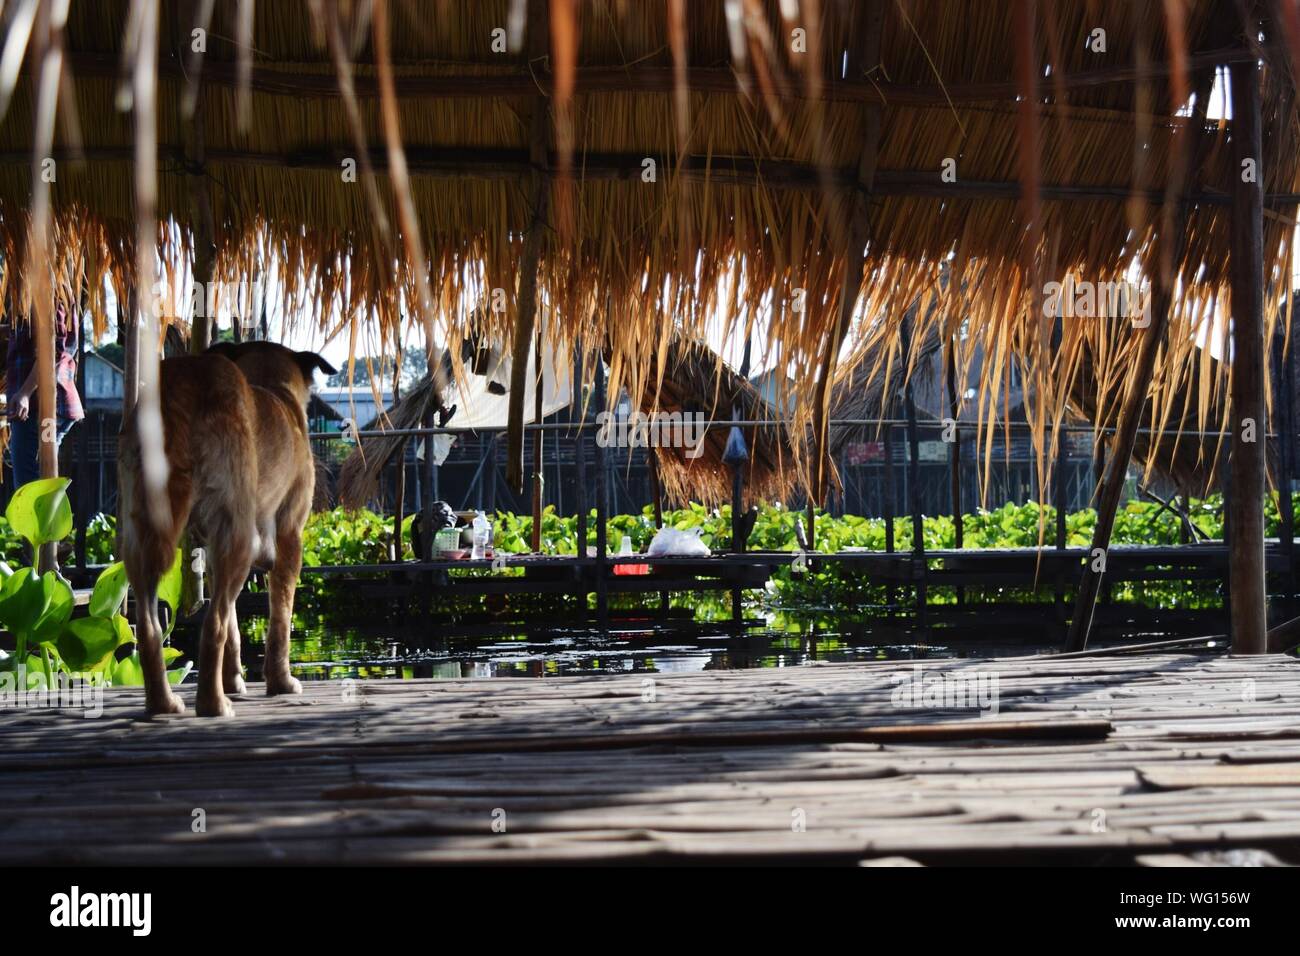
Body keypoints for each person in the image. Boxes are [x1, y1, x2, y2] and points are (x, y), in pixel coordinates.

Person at [5, 301, 84, 489]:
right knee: (42, 481)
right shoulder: (31, 292)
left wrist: (25, 393)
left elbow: (52, 350)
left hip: (38, 406)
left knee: (30, 489)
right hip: (46, 405)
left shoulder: (46, 286)